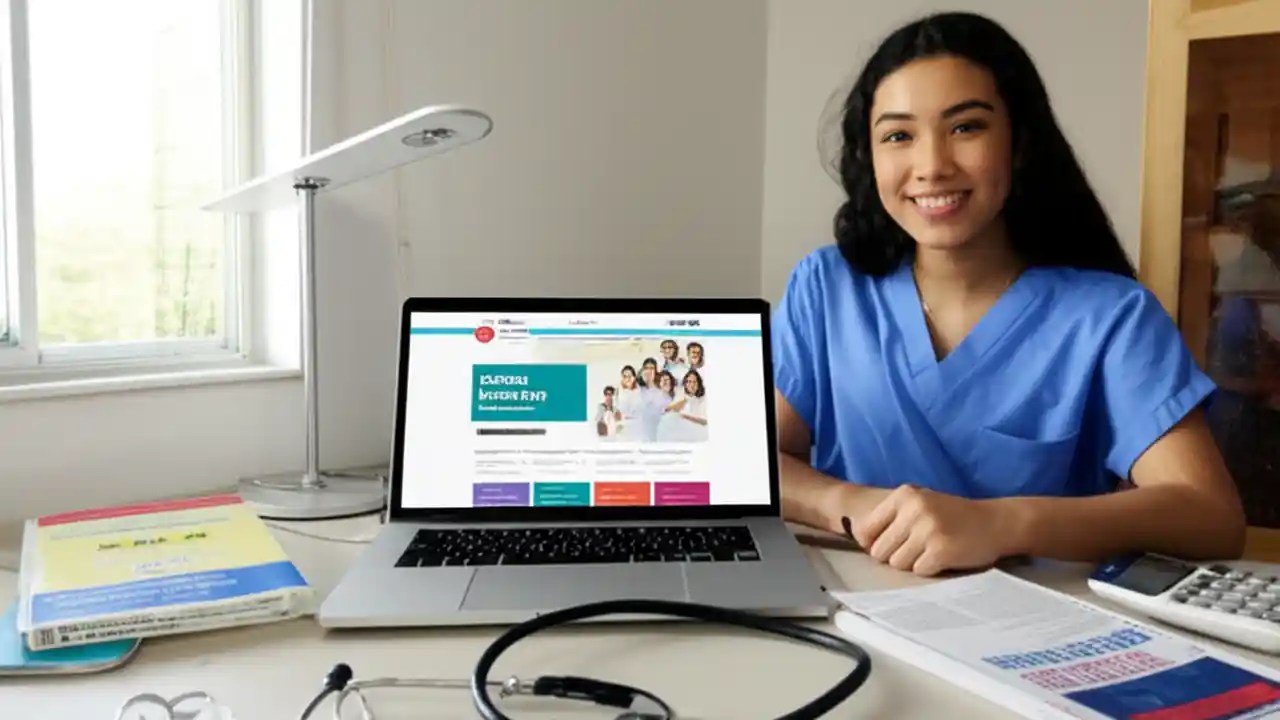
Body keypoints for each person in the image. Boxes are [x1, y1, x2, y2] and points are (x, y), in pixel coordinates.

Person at [772, 11, 1246, 577]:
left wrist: (998, 523)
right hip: (852, 608)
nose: (932, 166)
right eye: (899, 135)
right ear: (869, 158)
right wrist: (848, 504)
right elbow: (747, 462)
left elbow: (1211, 515)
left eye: (966, 127)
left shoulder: (1110, 318)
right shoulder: (825, 289)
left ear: (1019, 144)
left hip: (1037, 633)